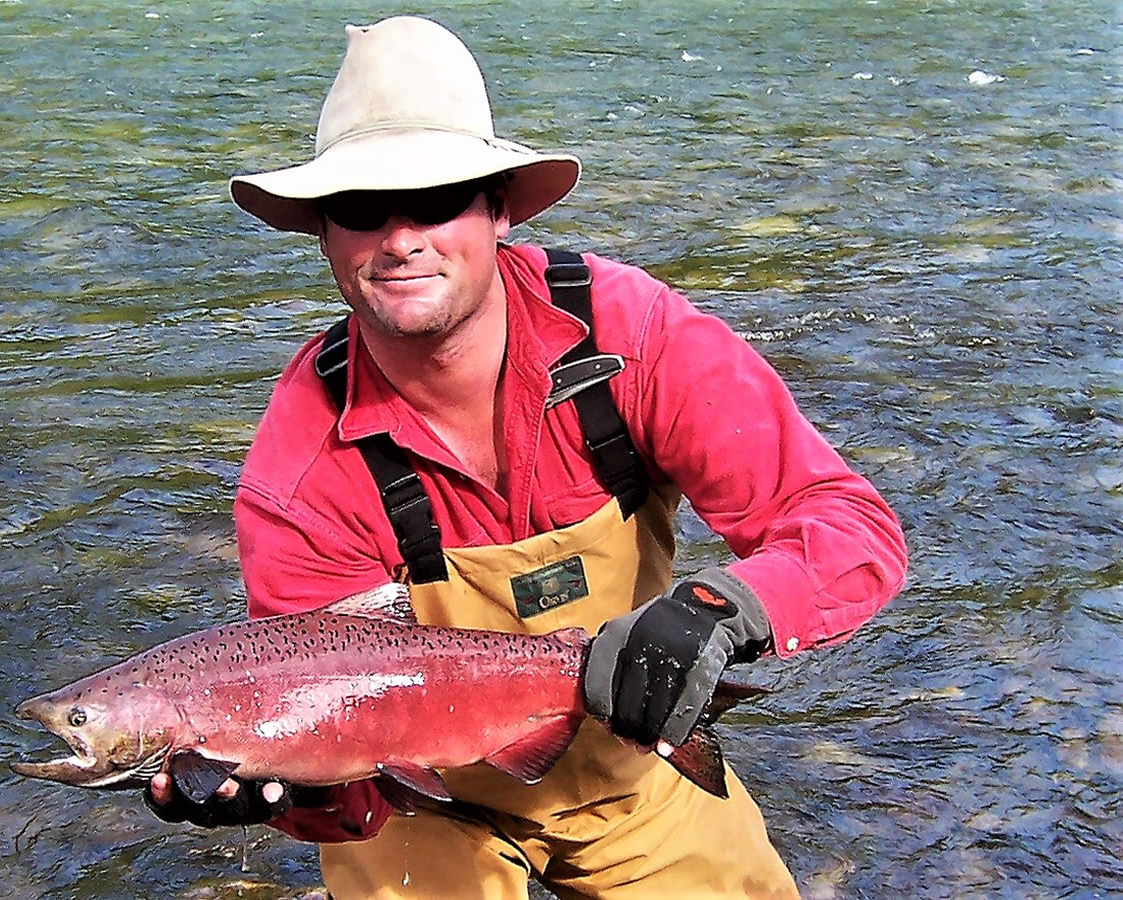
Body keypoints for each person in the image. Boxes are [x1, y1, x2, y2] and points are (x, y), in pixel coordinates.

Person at [148, 15, 907, 899]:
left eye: (436, 199)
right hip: (422, 809)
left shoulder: (633, 336)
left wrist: (718, 611)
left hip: (630, 768)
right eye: (361, 209)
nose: (400, 239)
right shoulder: (299, 469)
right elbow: (353, 798)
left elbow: (846, 526)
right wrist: (280, 794)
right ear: (323, 234)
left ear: (499, 208)